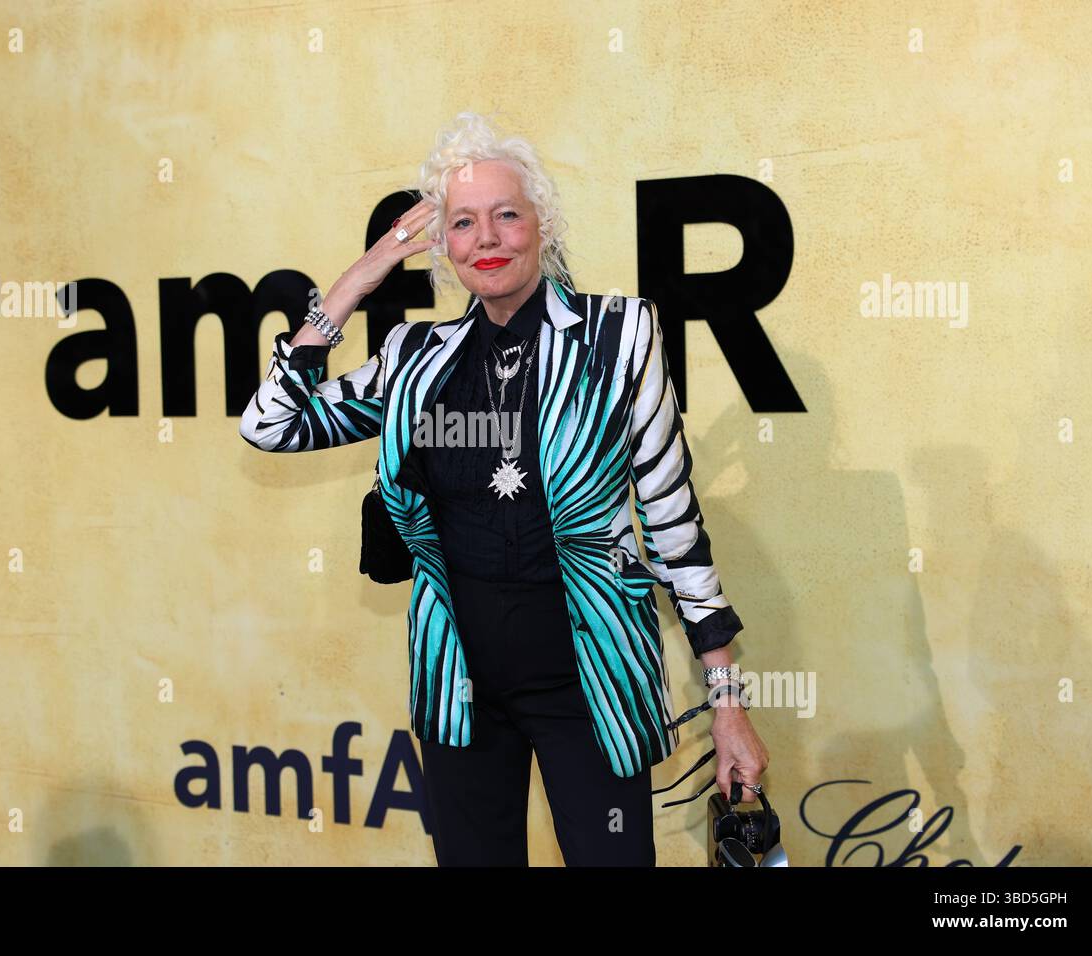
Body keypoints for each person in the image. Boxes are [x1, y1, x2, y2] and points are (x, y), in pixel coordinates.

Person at [240, 111, 769, 866]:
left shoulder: (618, 338)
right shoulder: (415, 358)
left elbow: (674, 523)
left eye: (506, 215)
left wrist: (727, 707)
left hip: (591, 693)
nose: (485, 238)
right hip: (459, 694)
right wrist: (360, 277)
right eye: (462, 223)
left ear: (542, 227)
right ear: (441, 244)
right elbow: (271, 424)